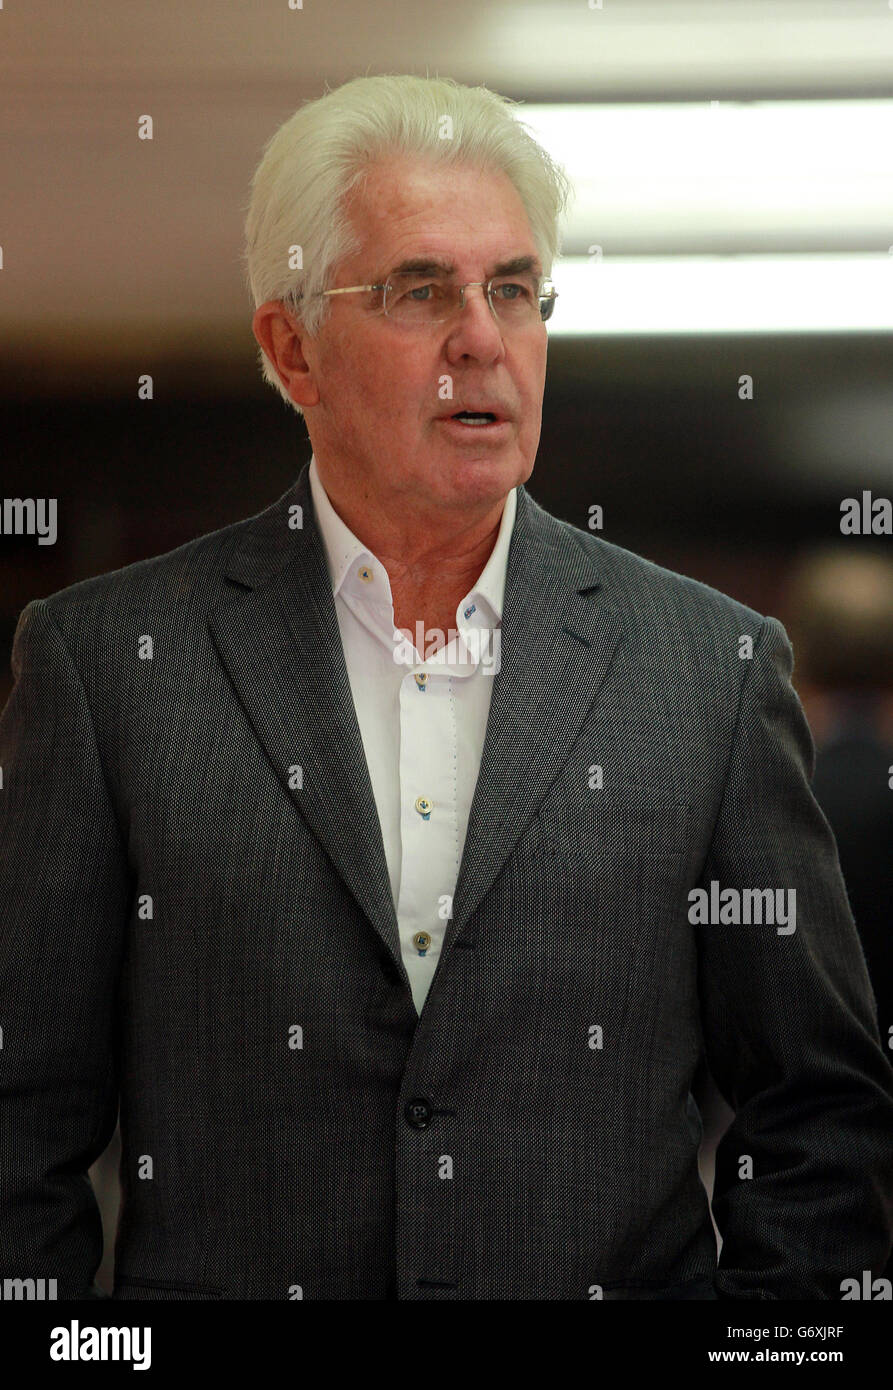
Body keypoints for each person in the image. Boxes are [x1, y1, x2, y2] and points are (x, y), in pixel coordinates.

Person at [1, 74, 891, 1302]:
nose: (481, 335)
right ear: (292, 347)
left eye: (513, 289)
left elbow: (821, 1105)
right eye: (420, 289)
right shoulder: (108, 666)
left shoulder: (710, 670)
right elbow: (21, 1119)